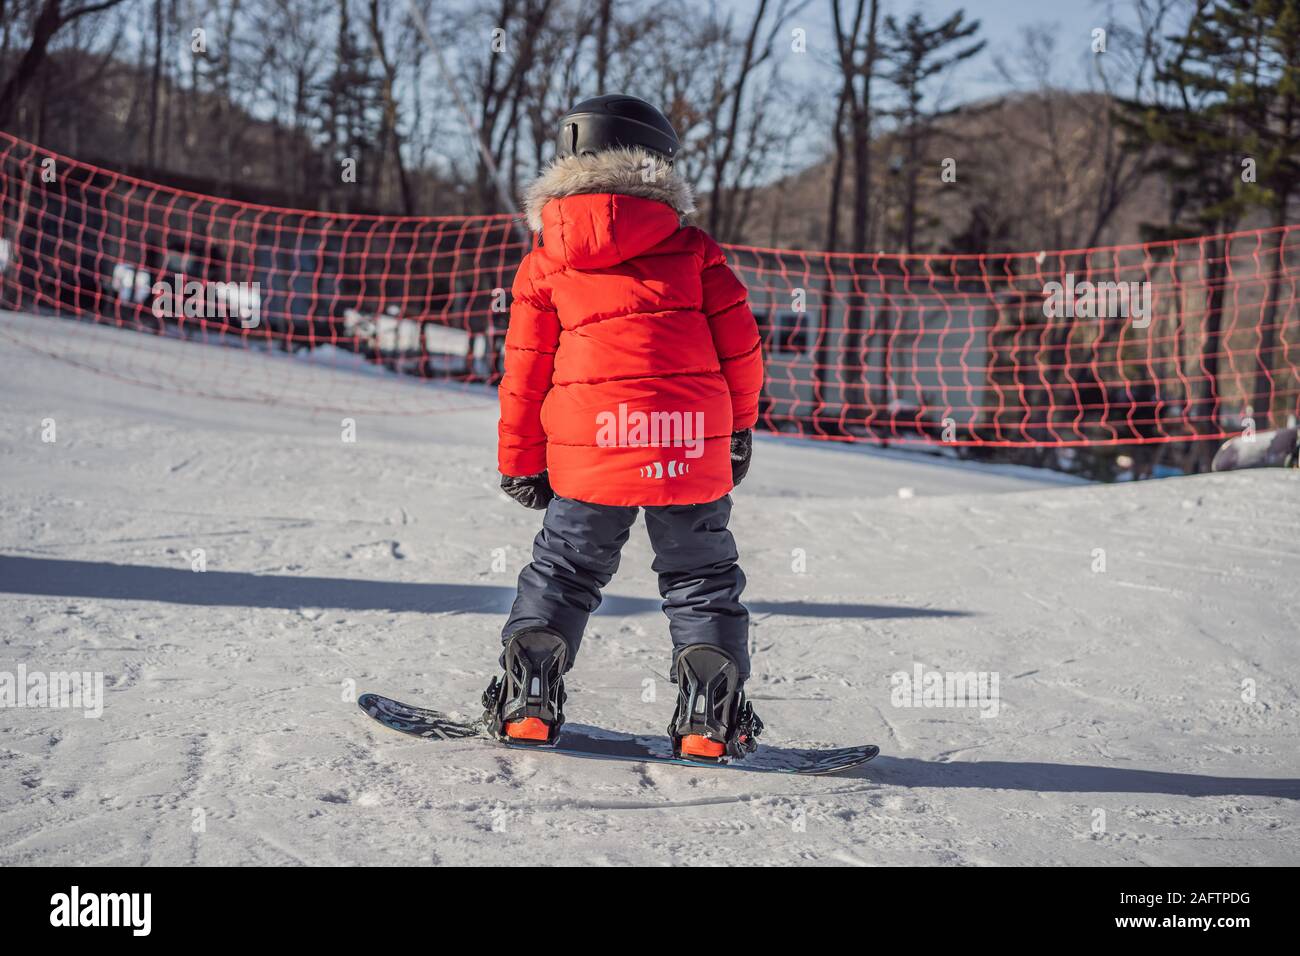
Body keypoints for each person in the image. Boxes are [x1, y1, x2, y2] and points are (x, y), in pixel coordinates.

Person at [481, 94, 764, 762]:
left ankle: (528, 699)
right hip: (688, 443)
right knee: (701, 580)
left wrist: (521, 460)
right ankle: (708, 721)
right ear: (658, 162)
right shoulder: (695, 250)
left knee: (564, 570)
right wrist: (739, 431)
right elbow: (742, 351)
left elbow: (525, 373)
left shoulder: (547, 260)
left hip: (591, 449)